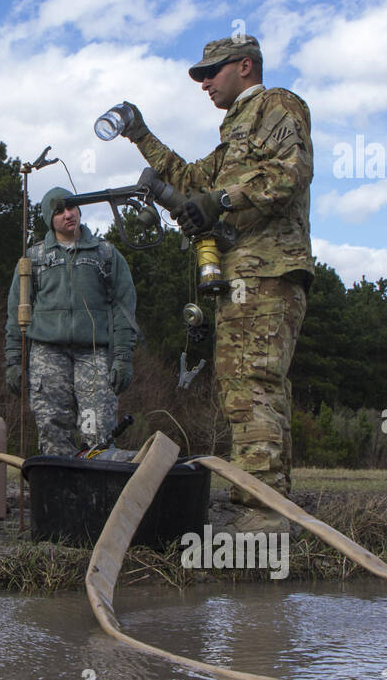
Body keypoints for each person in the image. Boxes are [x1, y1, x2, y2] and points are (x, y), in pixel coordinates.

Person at [121, 34, 313, 533]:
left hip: (267, 269)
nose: (204, 83)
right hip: (242, 274)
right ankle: (267, 506)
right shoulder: (234, 135)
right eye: (201, 76)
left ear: (245, 66)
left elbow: (290, 173)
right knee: (243, 385)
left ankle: (264, 517)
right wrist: (141, 134)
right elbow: (191, 181)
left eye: (212, 72)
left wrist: (222, 202)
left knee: (252, 384)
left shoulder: (278, 105)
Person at [5, 187, 138, 456]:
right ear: (48, 219)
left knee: (98, 431)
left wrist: (123, 355)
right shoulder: (33, 258)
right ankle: (57, 494)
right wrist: (13, 360)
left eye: (71, 207)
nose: (68, 215)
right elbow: (17, 312)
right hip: (47, 354)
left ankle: (98, 493)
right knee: (53, 428)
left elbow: (124, 308)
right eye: (59, 211)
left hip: (95, 352)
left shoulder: (106, 254)